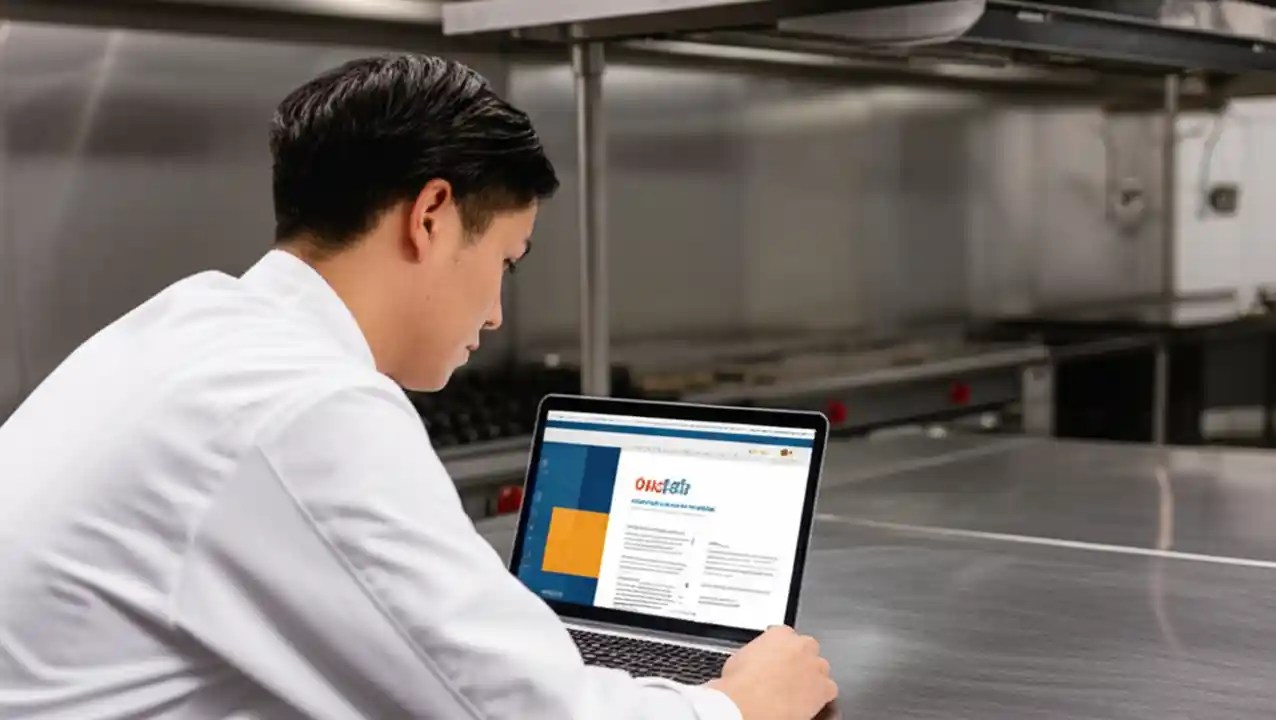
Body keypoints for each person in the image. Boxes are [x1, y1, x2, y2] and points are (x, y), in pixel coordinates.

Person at [0, 54, 838, 720]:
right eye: (504, 262)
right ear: (431, 215)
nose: (499, 314)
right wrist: (738, 705)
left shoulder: (191, 324)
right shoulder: (310, 408)